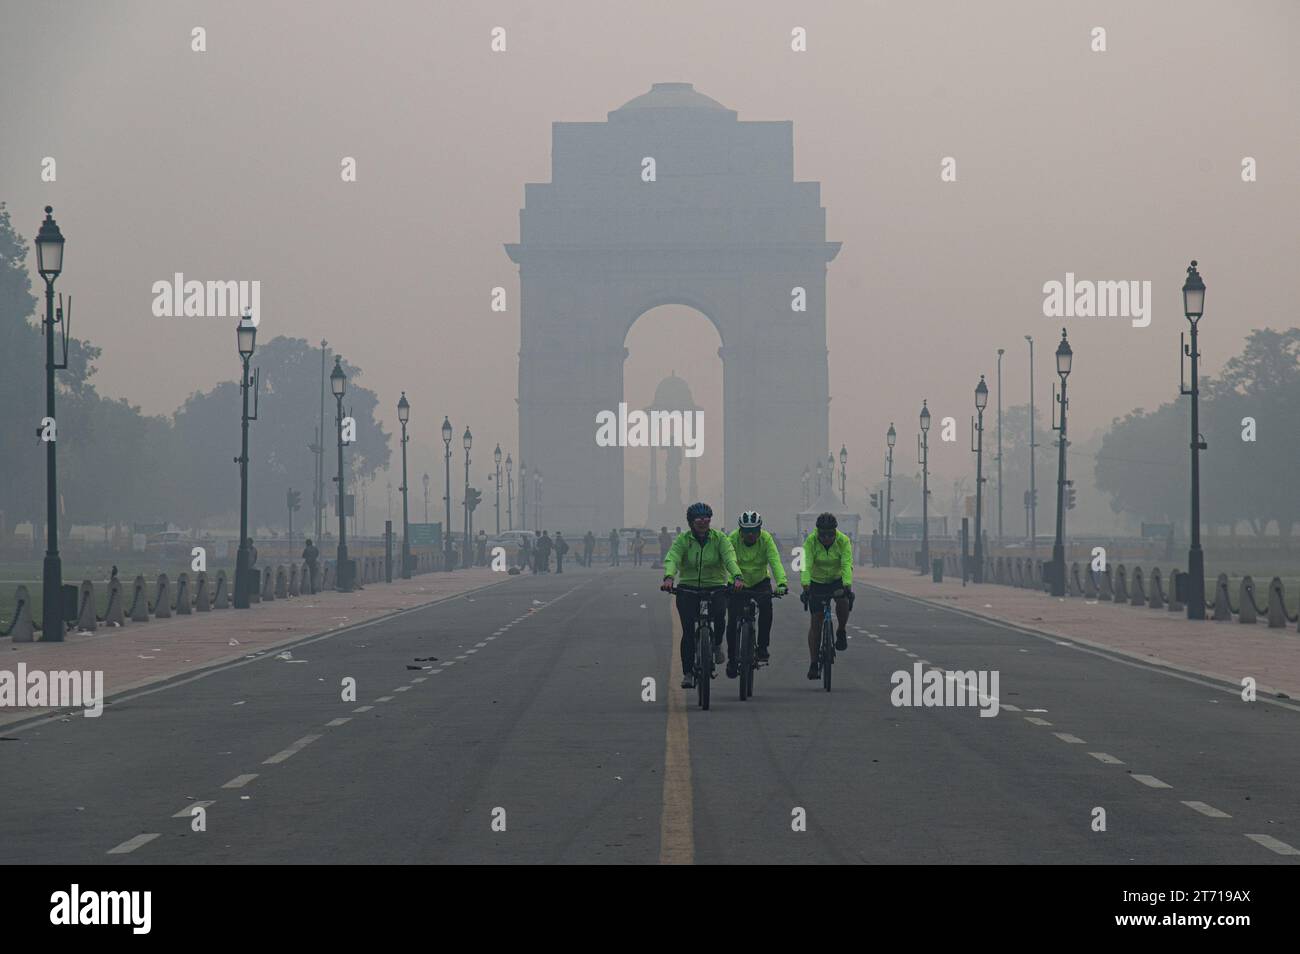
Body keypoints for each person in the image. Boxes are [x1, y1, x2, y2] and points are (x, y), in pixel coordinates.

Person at [660, 503, 744, 690]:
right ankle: (688, 673)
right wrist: (668, 576)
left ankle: (716, 645)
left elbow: (730, 558)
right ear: (691, 522)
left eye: (706, 518)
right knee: (688, 632)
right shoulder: (683, 540)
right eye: (698, 518)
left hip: (715, 587)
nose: (703, 522)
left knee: (721, 616)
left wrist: (737, 576)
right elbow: (673, 557)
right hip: (688, 588)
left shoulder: (719, 538)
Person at [725, 511, 788, 673]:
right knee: (732, 620)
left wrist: (781, 583)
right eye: (746, 531)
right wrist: (727, 583)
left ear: (760, 529)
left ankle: (762, 647)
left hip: (760, 582)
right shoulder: (732, 539)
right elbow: (725, 561)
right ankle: (732, 659)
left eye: (754, 530)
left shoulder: (766, 539)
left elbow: (775, 562)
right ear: (740, 531)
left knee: (767, 608)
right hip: (738, 583)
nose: (751, 534)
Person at [800, 513, 855, 681]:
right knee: (816, 622)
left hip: (837, 580)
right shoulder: (810, 541)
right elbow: (806, 564)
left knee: (843, 602)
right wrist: (806, 586)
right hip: (816, 581)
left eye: (830, 534)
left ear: (835, 532)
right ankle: (814, 663)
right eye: (822, 534)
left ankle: (841, 630)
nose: (826, 538)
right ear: (817, 532)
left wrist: (847, 584)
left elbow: (846, 564)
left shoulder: (843, 541)